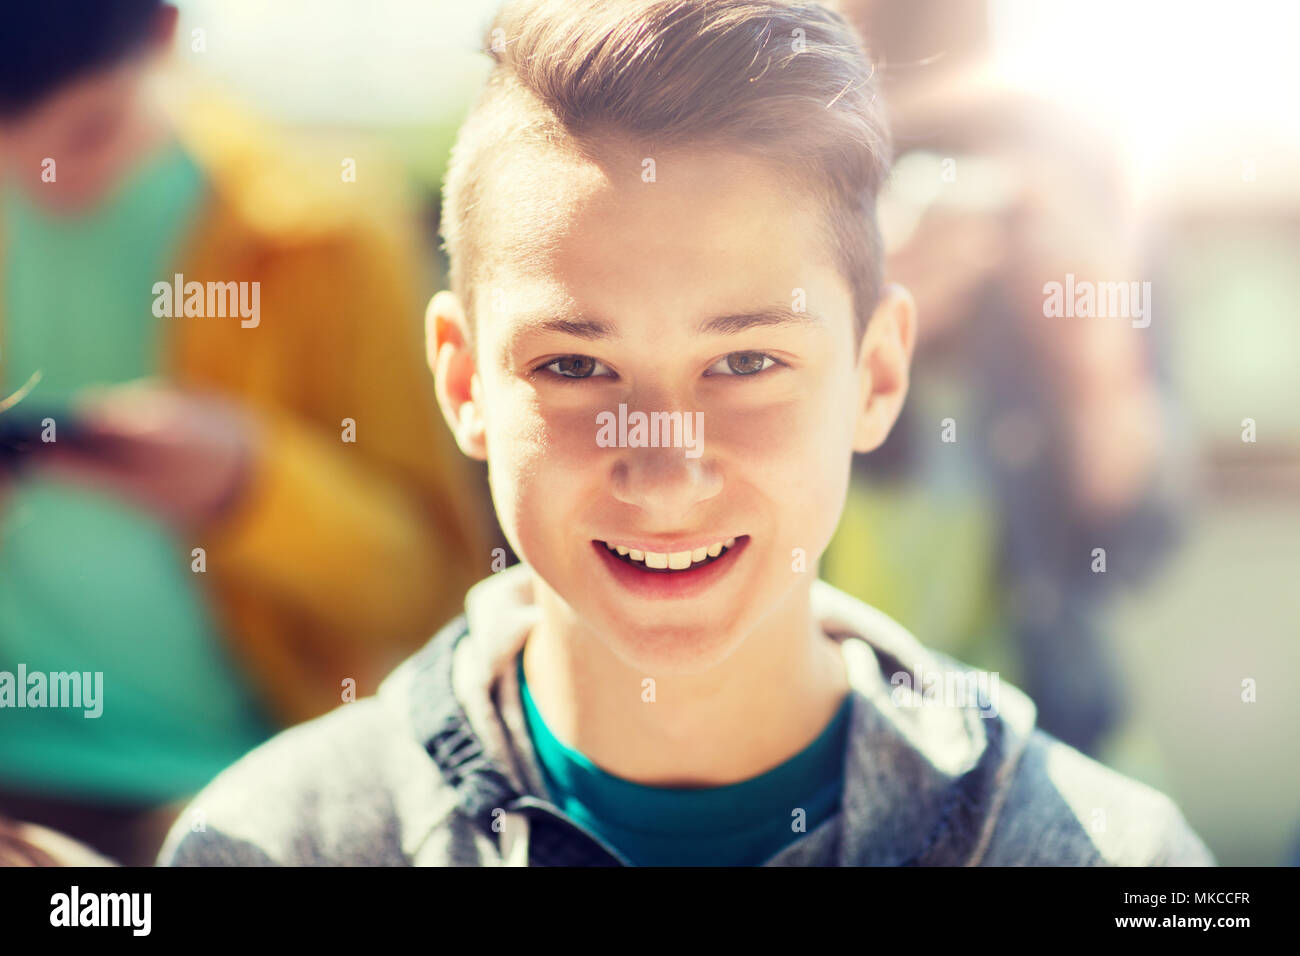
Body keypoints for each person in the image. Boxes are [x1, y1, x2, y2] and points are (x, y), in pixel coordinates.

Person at [159, 0, 1214, 867]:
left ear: (873, 369)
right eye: (573, 365)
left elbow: (1135, 519)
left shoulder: (1121, 858)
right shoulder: (261, 842)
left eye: (746, 361)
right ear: (463, 379)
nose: (665, 477)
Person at [0, 1, 491, 865]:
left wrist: (250, 483)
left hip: (223, 790)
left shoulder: (320, 232)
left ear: (162, 36)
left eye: (86, 134)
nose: (39, 178)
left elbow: (432, 584)